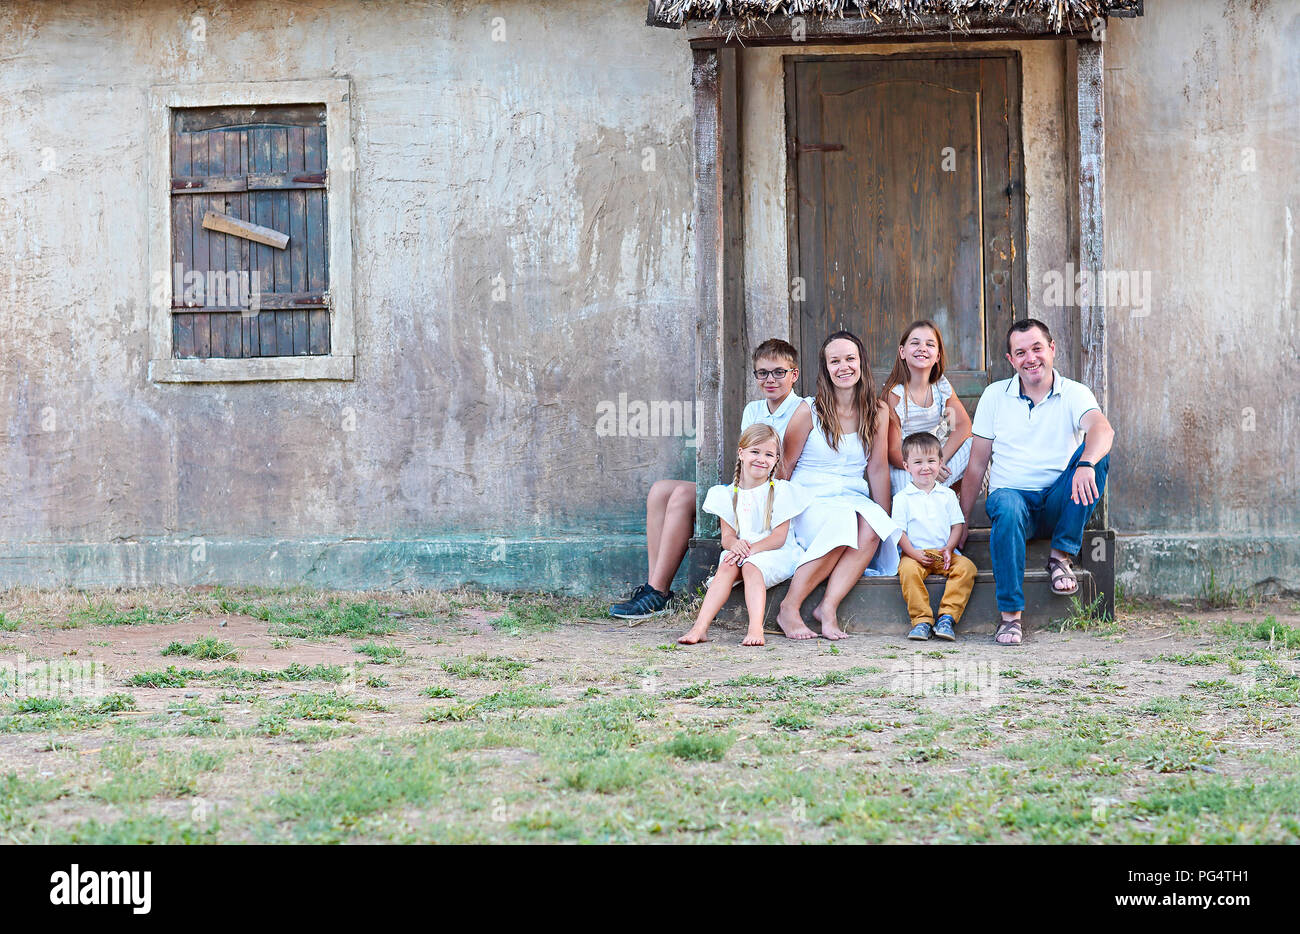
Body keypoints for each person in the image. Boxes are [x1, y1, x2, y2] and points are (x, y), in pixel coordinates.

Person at [610, 339, 803, 620]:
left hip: (769, 491)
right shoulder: (754, 410)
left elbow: (783, 468)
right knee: (660, 490)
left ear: (794, 374)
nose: (770, 379)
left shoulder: (801, 409)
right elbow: (745, 459)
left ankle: (658, 591)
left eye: (778, 372)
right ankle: (655, 588)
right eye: (762, 373)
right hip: (746, 483)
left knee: (681, 497)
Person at [959, 319, 1114, 646]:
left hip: (1060, 502)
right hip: (1013, 504)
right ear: (1010, 359)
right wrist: (961, 521)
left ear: (1052, 349)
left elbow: (1103, 430)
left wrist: (1085, 462)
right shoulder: (994, 396)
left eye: (1036, 348)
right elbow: (976, 465)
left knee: (1098, 456)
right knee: (1008, 503)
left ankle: (1060, 557)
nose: (1030, 358)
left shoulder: (1074, 392)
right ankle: (1011, 618)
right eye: (1020, 352)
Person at [774, 331, 902, 641]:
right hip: (810, 499)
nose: (843, 367)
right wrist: (775, 518)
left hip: (851, 498)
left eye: (850, 359)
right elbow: (785, 466)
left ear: (861, 363)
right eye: (835, 361)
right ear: (826, 368)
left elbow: (877, 467)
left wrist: (882, 516)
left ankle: (827, 608)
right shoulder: (809, 411)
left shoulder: (878, 412)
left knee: (872, 525)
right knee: (843, 522)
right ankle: (789, 607)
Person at [678, 424, 809, 647]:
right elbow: (727, 538)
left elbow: (778, 538)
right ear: (741, 453)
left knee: (750, 565)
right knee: (728, 564)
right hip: (743, 551)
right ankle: (700, 627)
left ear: (776, 459)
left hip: (775, 552)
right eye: (755, 452)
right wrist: (736, 546)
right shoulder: (726, 494)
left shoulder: (781, 491)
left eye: (769, 454)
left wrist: (747, 551)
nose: (761, 459)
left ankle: (755, 628)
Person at [892, 431, 977, 642]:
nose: (925, 467)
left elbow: (957, 525)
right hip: (915, 553)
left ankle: (947, 617)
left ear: (940, 463)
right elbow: (899, 532)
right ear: (906, 466)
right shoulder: (902, 498)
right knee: (908, 571)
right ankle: (921, 620)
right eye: (918, 462)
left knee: (967, 568)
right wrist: (912, 553)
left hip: (943, 552)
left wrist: (949, 547)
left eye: (931, 461)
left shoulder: (947, 495)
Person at [882, 320, 973, 496]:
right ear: (902, 352)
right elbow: (893, 451)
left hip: (936, 456)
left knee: (975, 446)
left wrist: (938, 462)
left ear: (938, 355)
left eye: (930, 344)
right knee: (907, 489)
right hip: (907, 465)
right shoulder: (895, 395)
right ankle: (928, 499)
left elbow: (961, 426)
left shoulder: (941, 386)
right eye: (915, 343)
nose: (922, 348)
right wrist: (923, 467)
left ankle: (949, 504)